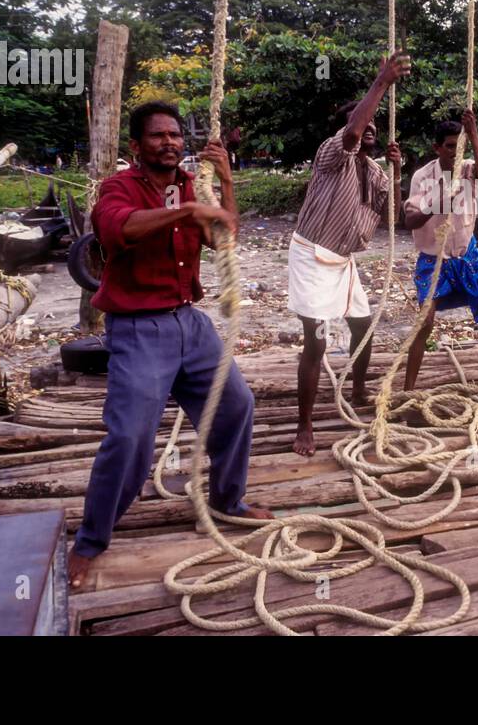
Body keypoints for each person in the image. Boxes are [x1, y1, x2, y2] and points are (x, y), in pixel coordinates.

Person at [68, 101, 272, 590]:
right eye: (158, 136)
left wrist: (224, 184)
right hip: (138, 329)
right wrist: (185, 209)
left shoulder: (189, 184)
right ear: (136, 146)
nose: (170, 143)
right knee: (131, 437)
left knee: (235, 405)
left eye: (176, 136)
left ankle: (228, 499)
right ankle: (90, 541)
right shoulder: (118, 188)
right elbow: (117, 229)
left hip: (189, 321)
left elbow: (223, 235)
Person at [286, 52, 409, 457]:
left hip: (344, 261)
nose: (370, 126)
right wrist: (382, 82)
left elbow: (397, 217)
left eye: (374, 123)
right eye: (363, 121)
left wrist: (395, 172)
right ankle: (304, 425)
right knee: (317, 341)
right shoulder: (331, 154)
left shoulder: (373, 171)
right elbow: (353, 133)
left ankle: (356, 389)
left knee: (363, 324)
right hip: (312, 254)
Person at [403, 110, 478, 390]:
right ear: (437, 148)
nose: (454, 151)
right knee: (424, 321)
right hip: (433, 259)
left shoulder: (467, 169)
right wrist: (438, 200)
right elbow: (410, 219)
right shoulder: (422, 177)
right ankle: (408, 389)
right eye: (449, 146)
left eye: (458, 145)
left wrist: (473, 133)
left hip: (466, 254)